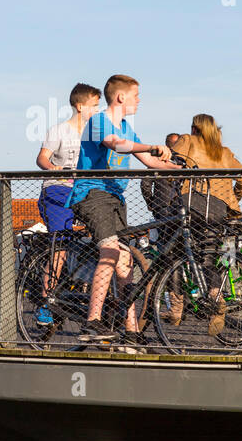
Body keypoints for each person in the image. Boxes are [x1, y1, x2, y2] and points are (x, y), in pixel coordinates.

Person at [67, 74, 175, 351]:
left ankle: (131, 331)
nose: (139, 101)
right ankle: (92, 322)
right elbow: (116, 144)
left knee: (125, 262)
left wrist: (182, 169)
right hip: (92, 194)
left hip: (114, 198)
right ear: (120, 97)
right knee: (111, 251)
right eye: (136, 95)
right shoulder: (99, 122)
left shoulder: (127, 126)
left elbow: (151, 162)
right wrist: (151, 146)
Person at [163, 114, 242, 334]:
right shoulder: (224, 152)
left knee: (173, 255)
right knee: (208, 259)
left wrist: (173, 181)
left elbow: (172, 164)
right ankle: (218, 304)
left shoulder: (187, 140)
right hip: (216, 210)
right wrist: (233, 198)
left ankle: (176, 310)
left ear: (195, 128)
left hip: (189, 204)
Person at [35, 83, 102, 325]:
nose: (98, 109)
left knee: (104, 241)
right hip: (59, 190)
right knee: (60, 248)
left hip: (84, 192)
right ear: (81, 106)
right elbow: (42, 157)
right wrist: (55, 170)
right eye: (95, 105)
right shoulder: (59, 130)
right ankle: (46, 302)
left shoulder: (95, 135)